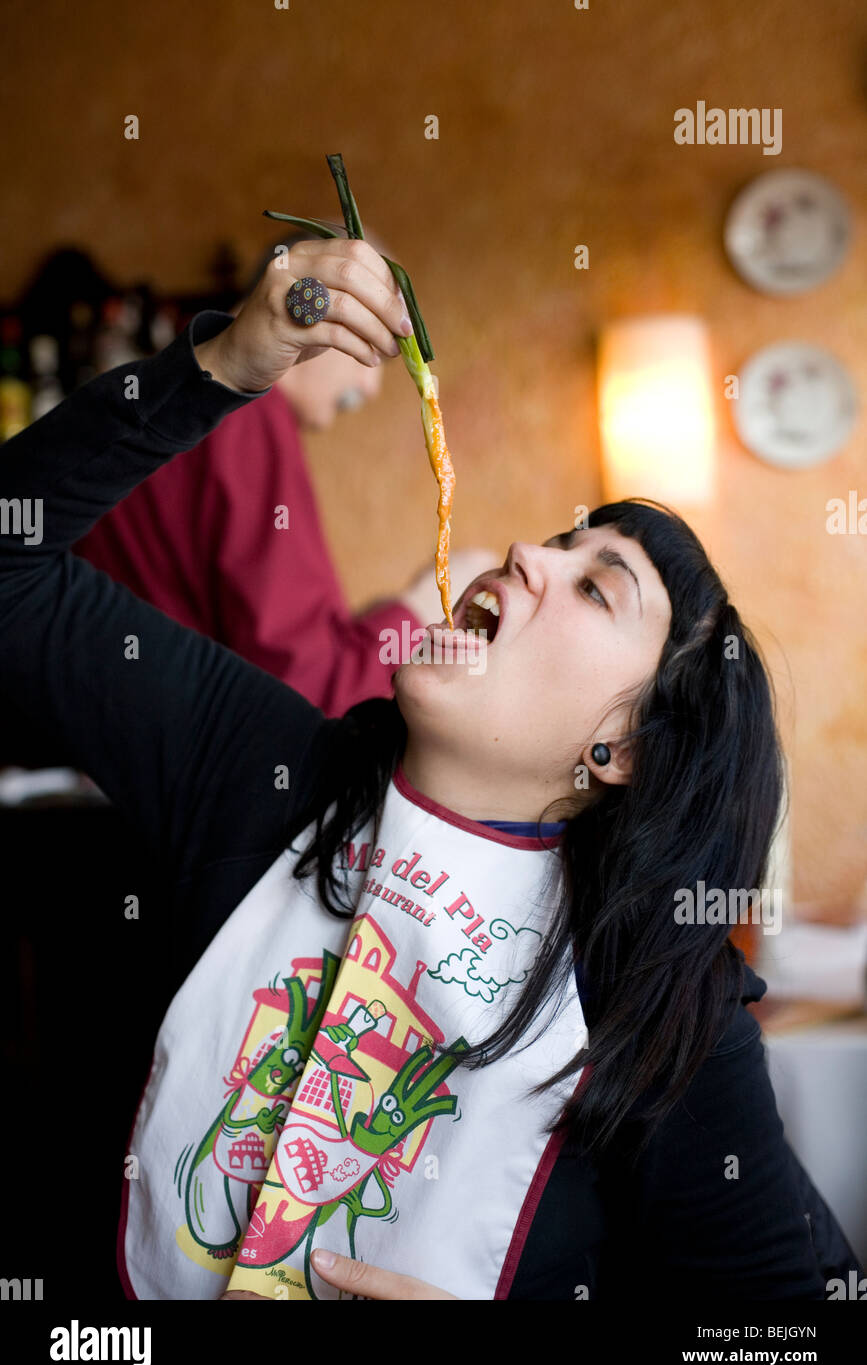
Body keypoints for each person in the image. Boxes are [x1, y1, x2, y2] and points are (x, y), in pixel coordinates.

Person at [0, 236, 860, 1302]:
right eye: (555, 540)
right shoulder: (254, 768)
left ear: (622, 750)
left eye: (598, 587)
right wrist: (222, 368)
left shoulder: (661, 1010)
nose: (527, 556)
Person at [72, 237, 495, 716]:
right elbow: (309, 692)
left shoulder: (181, 389)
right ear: (315, 304)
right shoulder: (244, 412)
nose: (370, 385)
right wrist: (420, 609)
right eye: (374, 339)